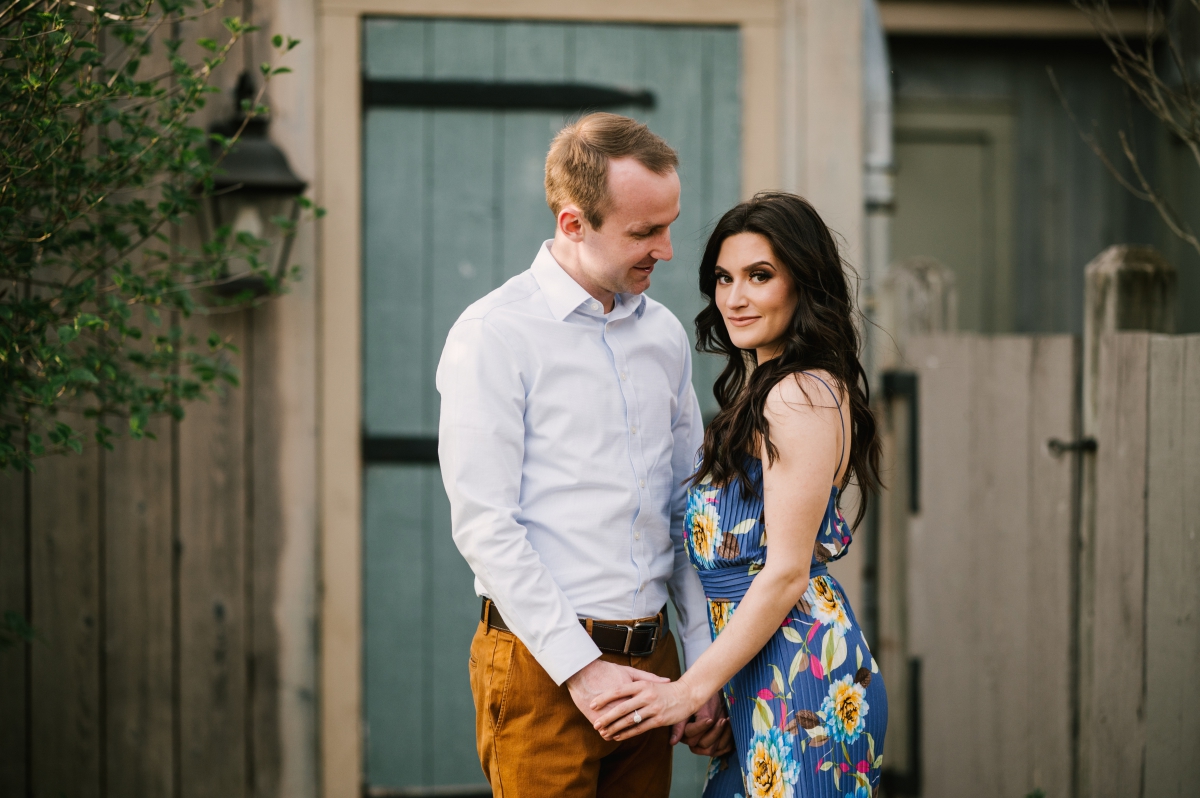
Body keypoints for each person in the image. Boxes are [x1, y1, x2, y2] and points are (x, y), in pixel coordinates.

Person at [436, 112, 733, 797]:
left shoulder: (661, 335)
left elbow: (686, 507)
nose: (666, 249)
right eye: (643, 232)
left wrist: (701, 669)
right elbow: (485, 526)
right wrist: (581, 668)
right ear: (574, 224)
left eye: (669, 224)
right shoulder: (494, 335)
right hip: (544, 668)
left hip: (654, 664)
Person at [589, 193, 888, 798]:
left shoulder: (797, 395)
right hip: (756, 668)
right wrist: (717, 685)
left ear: (803, 284)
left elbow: (784, 574)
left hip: (802, 671)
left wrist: (687, 689)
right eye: (723, 278)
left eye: (760, 276)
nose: (735, 297)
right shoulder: (769, 388)